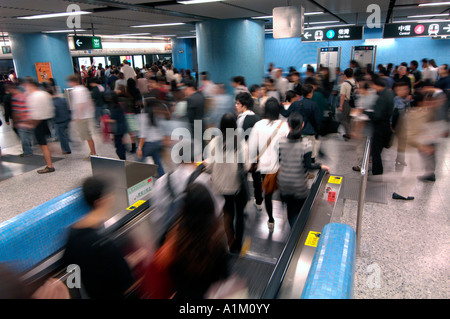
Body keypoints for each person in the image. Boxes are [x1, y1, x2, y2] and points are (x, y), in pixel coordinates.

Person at [142, 183, 229, 299]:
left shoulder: (174, 244)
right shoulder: (217, 246)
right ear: (210, 210)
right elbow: (224, 282)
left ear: (184, 211)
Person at [62, 177, 135, 298]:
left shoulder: (73, 233)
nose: (112, 196)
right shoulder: (104, 242)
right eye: (109, 193)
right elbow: (126, 281)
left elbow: (68, 262)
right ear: (100, 201)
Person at [204, 113, 250, 253]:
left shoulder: (214, 143)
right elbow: (247, 167)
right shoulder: (241, 143)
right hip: (237, 186)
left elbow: (209, 167)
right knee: (240, 215)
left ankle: (230, 242)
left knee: (227, 213)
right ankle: (238, 244)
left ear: (221, 127)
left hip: (221, 186)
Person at [278, 113, 329, 227]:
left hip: (283, 183)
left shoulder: (281, 141)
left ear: (288, 125)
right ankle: (295, 238)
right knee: (298, 212)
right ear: (303, 125)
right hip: (298, 184)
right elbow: (308, 165)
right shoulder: (306, 143)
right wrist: (320, 166)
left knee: (290, 210)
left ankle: (293, 232)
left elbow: (279, 160)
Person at [248, 98, 290, 230]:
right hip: (282, 166)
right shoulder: (284, 126)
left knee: (268, 193)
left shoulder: (259, 125)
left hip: (265, 166)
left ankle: (271, 220)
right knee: (283, 190)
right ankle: (285, 213)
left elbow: (251, 146)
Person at [23, 78, 55, 174]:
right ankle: (49, 162)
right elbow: (50, 108)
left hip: (38, 122)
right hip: (45, 121)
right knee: (45, 144)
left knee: (43, 145)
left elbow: (34, 112)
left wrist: (32, 124)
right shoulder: (44, 93)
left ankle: (49, 166)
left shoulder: (34, 96)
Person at [364, 75, 394, 176]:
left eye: (373, 85)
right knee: (378, 149)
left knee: (376, 150)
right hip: (386, 125)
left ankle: (377, 171)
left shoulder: (382, 97)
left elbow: (377, 115)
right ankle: (377, 170)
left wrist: (365, 112)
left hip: (379, 126)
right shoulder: (389, 93)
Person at [66, 74, 97, 160]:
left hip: (82, 117)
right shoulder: (84, 89)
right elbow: (89, 102)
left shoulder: (77, 91)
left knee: (86, 136)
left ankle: (93, 153)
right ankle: (92, 152)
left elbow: (80, 104)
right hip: (86, 115)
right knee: (87, 135)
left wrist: (78, 116)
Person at [137, 99, 165, 177]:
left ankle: (137, 179)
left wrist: (139, 148)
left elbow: (143, 134)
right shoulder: (159, 115)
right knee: (158, 163)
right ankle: (163, 179)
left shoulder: (143, 117)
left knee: (138, 163)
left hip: (148, 144)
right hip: (158, 142)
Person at [46, 86, 72, 155]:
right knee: (65, 134)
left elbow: (52, 113)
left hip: (58, 121)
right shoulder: (62, 99)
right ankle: (69, 146)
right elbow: (68, 109)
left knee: (62, 136)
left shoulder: (52, 103)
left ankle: (66, 149)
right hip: (66, 119)